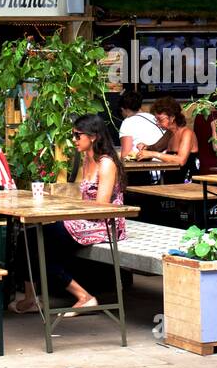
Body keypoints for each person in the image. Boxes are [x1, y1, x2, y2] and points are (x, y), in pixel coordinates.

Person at [10, 114, 128, 316]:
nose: (74, 140)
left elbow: (101, 206)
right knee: (26, 238)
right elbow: (85, 200)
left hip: (104, 223)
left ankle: (85, 297)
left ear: (93, 136)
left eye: (77, 135)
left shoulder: (106, 163)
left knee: (40, 245)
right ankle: (30, 298)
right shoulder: (86, 159)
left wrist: (69, 213)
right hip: (84, 219)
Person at [147, 95, 199, 177]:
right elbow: (156, 148)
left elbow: (181, 160)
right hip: (170, 179)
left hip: (186, 182)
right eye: (156, 120)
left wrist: (152, 154)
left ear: (172, 117)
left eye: (160, 120)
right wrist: (145, 147)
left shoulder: (187, 133)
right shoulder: (170, 133)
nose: (157, 123)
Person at [117, 90, 165, 156]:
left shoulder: (127, 122)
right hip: (164, 158)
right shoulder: (153, 117)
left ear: (122, 109)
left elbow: (126, 154)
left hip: (146, 161)